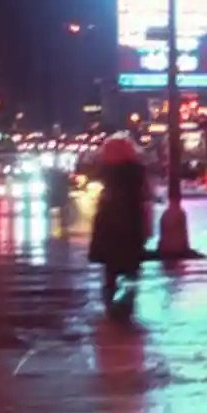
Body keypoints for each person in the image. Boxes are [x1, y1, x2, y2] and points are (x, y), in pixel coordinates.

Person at [87, 134, 151, 319]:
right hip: (131, 231)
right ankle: (126, 304)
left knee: (111, 272)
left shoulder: (108, 177)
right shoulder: (137, 175)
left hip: (110, 231)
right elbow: (144, 203)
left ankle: (112, 305)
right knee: (130, 270)